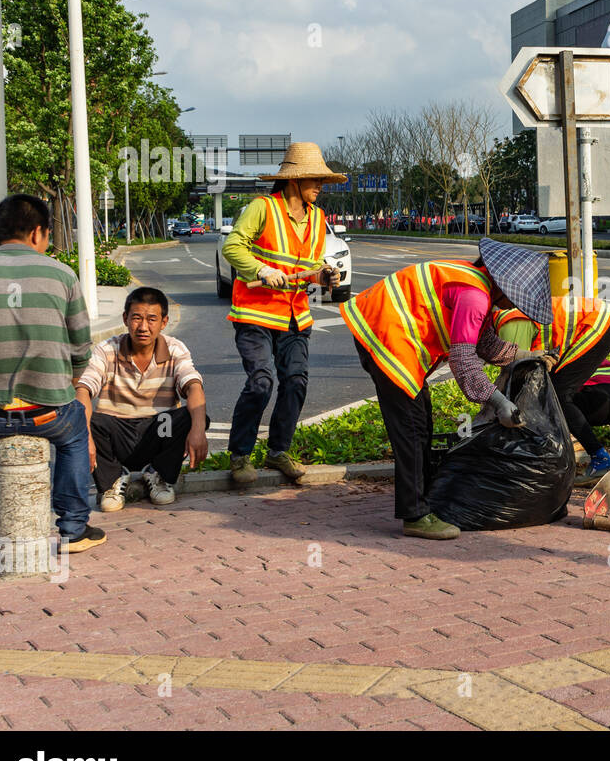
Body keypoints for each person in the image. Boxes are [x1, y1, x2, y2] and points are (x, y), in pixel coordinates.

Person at [342, 239, 558, 540]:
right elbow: (463, 360)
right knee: (412, 427)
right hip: (387, 334)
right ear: (505, 286)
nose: (515, 306)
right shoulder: (474, 295)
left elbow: (485, 344)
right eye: (517, 299)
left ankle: (423, 500)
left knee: (421, 420)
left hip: (385, 329)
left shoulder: (473, 281)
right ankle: (415, 514)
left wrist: (526, 356)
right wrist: (500, 403)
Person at [0, 194, 103, 554]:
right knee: (75, 435)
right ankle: (73, 527)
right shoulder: (62, 274)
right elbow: (81, 348)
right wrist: (66, 383)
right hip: (49, 414)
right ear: (38, 233)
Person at [223, 142, 342, 487]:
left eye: (322, 180)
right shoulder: (263, 208)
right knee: (260, 384)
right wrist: (260, 271)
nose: (320, 186)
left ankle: (278, 450)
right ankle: (240, 454)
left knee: (296, 382)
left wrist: (324, 276)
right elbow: (233, 246)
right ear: (293, 181)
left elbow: (309, 266)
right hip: (256, 314)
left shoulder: (318, 218)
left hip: (295, 316)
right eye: (314, 179)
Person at [75, 287, 209, 511]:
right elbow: (84, 390)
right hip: (117, 431)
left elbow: (193, 386)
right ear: (125, 318)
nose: (143, 327)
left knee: (188, 416)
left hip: (157, 431)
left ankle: (158, 474)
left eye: (151, 319)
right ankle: (113, 480)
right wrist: (84, 434)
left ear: (164, 322)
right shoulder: (107, 349)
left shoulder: (175, 349)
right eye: (136, 318)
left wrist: (198, 430)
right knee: (92, 419)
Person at [492, 295, 610, 486]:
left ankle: (601, 459)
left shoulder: (510, 320)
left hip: (596, 324)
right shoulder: (505, 316)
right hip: (597, 321)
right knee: (551, 391)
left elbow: (515, 372)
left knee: (559, 396)